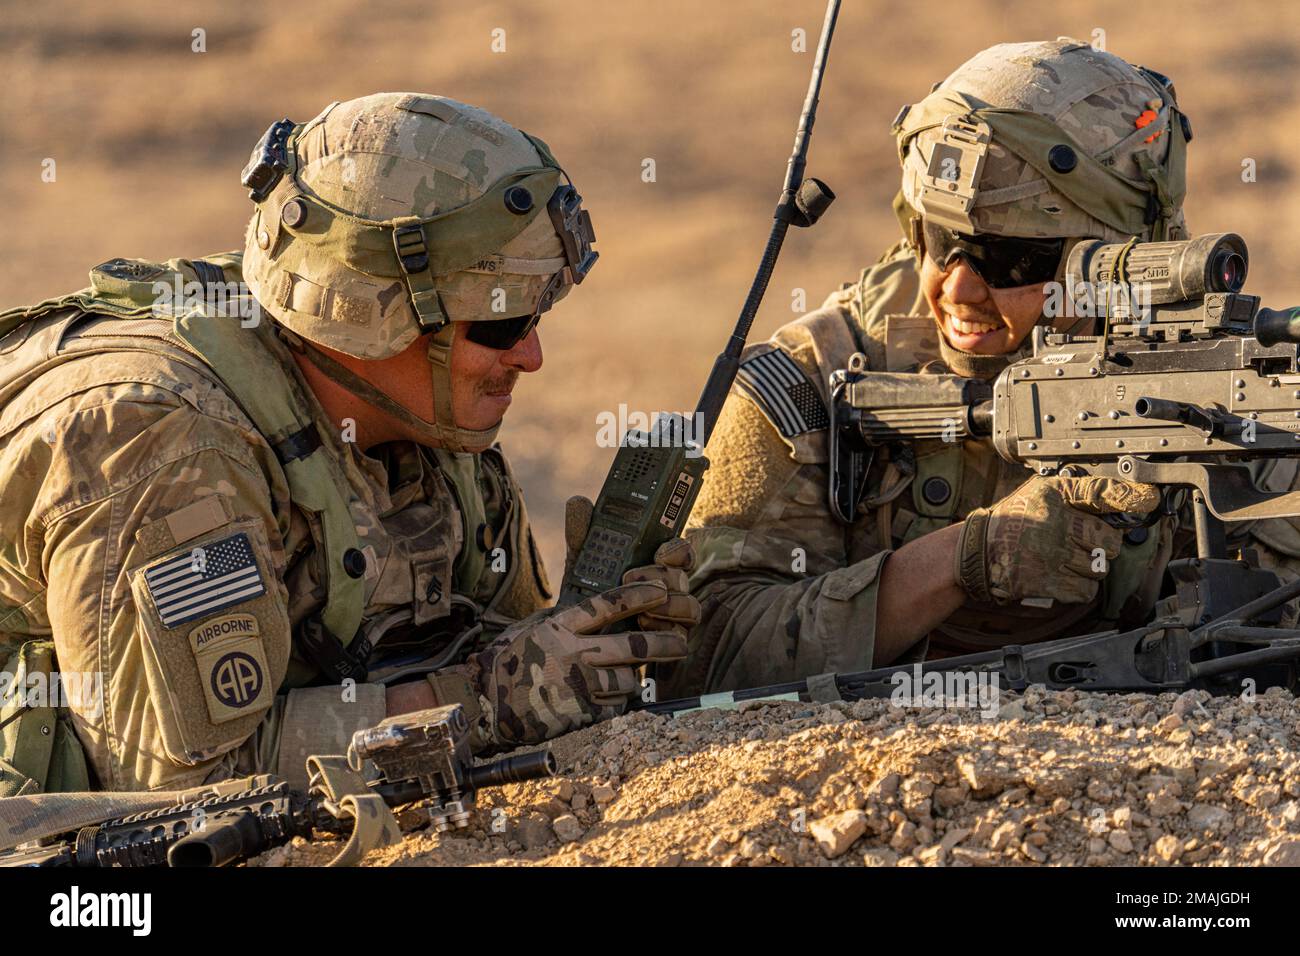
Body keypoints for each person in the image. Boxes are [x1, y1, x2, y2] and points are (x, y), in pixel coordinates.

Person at [0, 92, 697, 794]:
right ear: (378, 319)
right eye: (501, 324)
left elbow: (486, 644)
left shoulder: (426, 416)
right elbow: (182, 785)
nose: (532, 356)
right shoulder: (171, 449)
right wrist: (487, 706)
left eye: (535, 314)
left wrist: (585, 637)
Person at [659, 38, 1300, 697]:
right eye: (939, 243)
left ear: (1114, 259)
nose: (959, 290)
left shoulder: (1217, 376)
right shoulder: (808, 382)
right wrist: (961, 562)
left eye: (1011, 261)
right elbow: (697, 653)